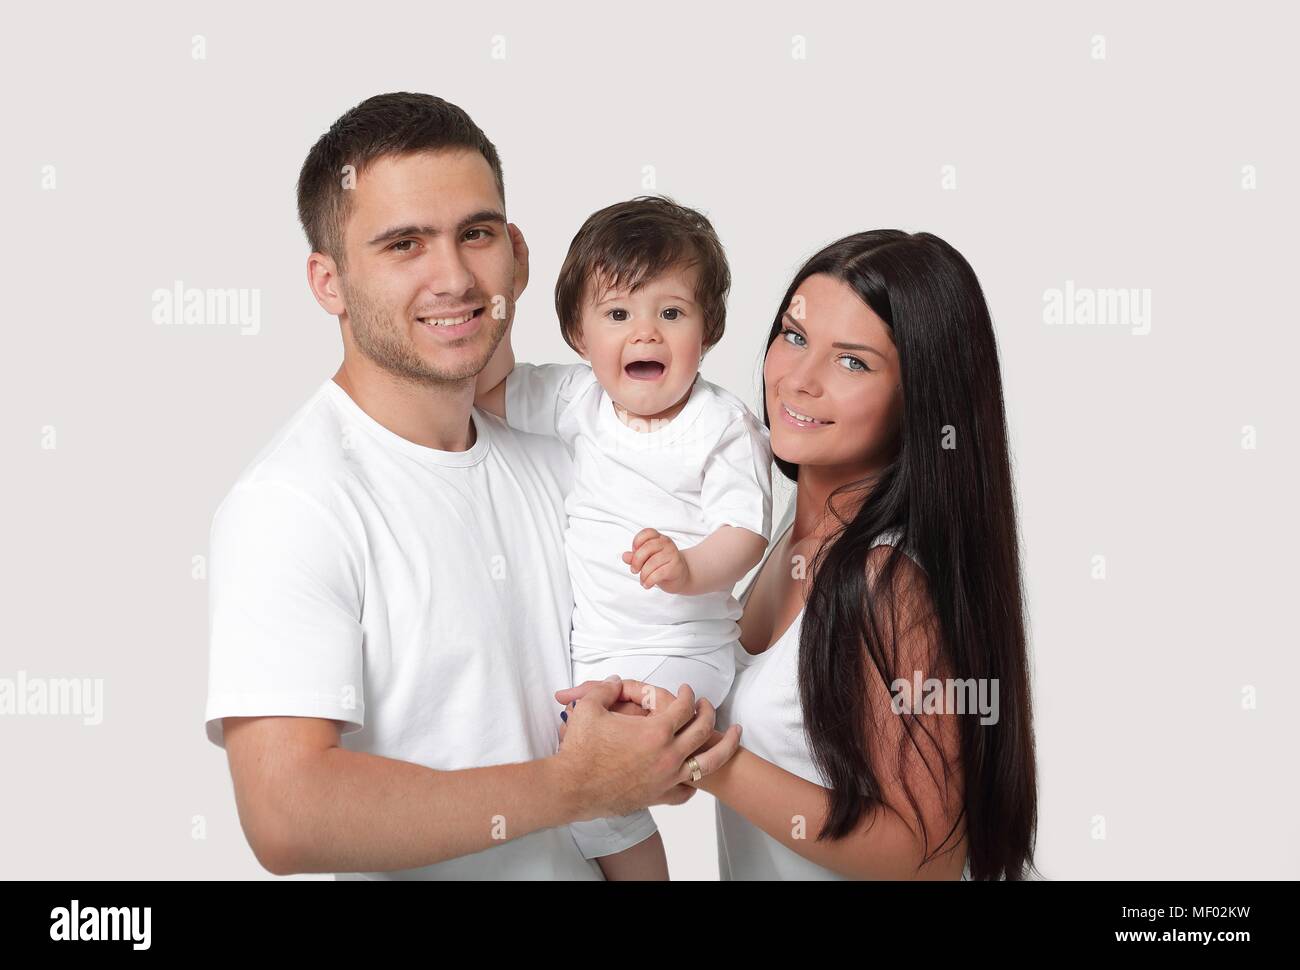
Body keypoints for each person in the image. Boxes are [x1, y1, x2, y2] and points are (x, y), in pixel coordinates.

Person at [203, 91, 740, 880]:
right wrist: (575, 784)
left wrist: (658, 748)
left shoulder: (563, 456)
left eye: (476, 235)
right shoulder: (293, 503)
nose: (453, 276)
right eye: (403, 245)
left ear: (516, 254)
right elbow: (287, 816)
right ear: (329, 282)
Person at [560, 231, 1039, 880]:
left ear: (919, 398)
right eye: (794, 335)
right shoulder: (782, 531)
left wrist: (695, 753)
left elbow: (926, 856)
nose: (799, 379)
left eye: (853, 363)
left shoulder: (887, 582)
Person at [474, 196, 772, 878]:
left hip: (683, 653)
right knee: (586, 797)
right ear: (579, 336)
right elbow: (489, 390)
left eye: (671, 313)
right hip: (597, 654)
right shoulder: (577, 400)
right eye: (616, 315)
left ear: (709, 327)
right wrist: (500, 296)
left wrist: (689, 567)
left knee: (613, 770)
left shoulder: (720, 425)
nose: (645, 335)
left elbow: (745, 533)